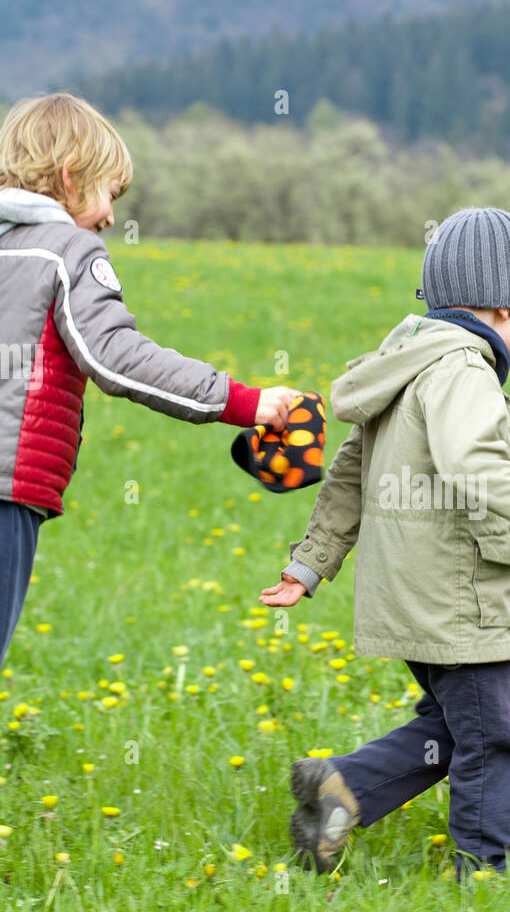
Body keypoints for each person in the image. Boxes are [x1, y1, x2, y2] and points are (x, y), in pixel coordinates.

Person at [261, 206, 510, 879]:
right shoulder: (462, 370)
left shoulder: (406, 362)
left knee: (451, 730)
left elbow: (348, 473)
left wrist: (309, 563)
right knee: (493, 741)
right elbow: (472, 465)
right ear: (504, 306)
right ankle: (489, 875)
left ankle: (339, 790)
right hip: (459, 598)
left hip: (410, 595)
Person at [0, 92, 303, 664]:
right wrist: (243, 401)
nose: (113, 216)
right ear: (69, 178)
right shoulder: (69, 249)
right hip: (7, 489)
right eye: (110, 194)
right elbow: (115, 356)